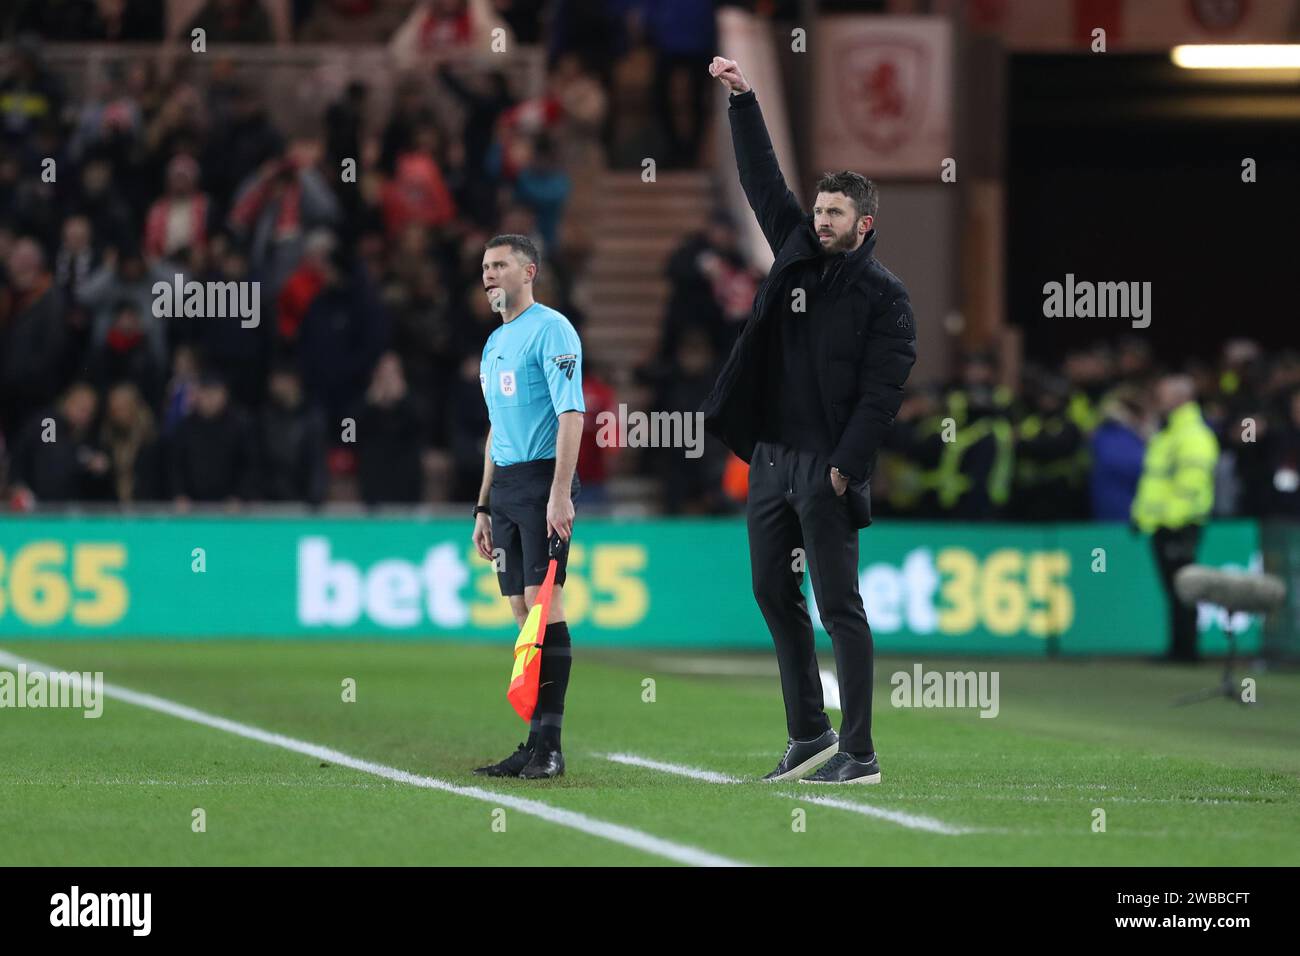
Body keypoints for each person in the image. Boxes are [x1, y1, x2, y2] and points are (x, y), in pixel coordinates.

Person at [700, 58, 917, 784]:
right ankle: (809, 733)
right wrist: (744, 100)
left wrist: (845, 466)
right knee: (770, 589)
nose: (820, 221)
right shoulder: (794, 250)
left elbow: (880, 398)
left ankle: (860, 752)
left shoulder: (886, 300)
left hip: (827, 463)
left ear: (864, 224)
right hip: (770, 458)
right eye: (818, 209)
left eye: (834, 214)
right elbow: (762, 181)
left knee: (840, 607)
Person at [470, 234, 584, 780]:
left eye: (499, 266)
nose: (489, 275)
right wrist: (483, 504)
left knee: (545, 606)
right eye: (485, 268)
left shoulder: (552, 329)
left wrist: (560, 491)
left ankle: (551, 747)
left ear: (529, 271)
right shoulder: (494, 343)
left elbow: (571, 414)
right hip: (509, 489)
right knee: (521, 614)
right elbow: (495, 428)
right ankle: (533, 742)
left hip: (543, 481)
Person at [1131, 375, 1219, 662]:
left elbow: (1191, 485)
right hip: (1162, 524)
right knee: (1174, 590)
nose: (1159, 401)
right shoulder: (1167, 433)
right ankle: (1178, 648)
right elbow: (1154, 482)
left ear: (1182, 398)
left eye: (1164, 395)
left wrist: (1174, 520)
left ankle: (1187, 650)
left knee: (1184, 588)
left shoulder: (1193, 435)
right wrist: (1141, 515)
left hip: (1179, 525)